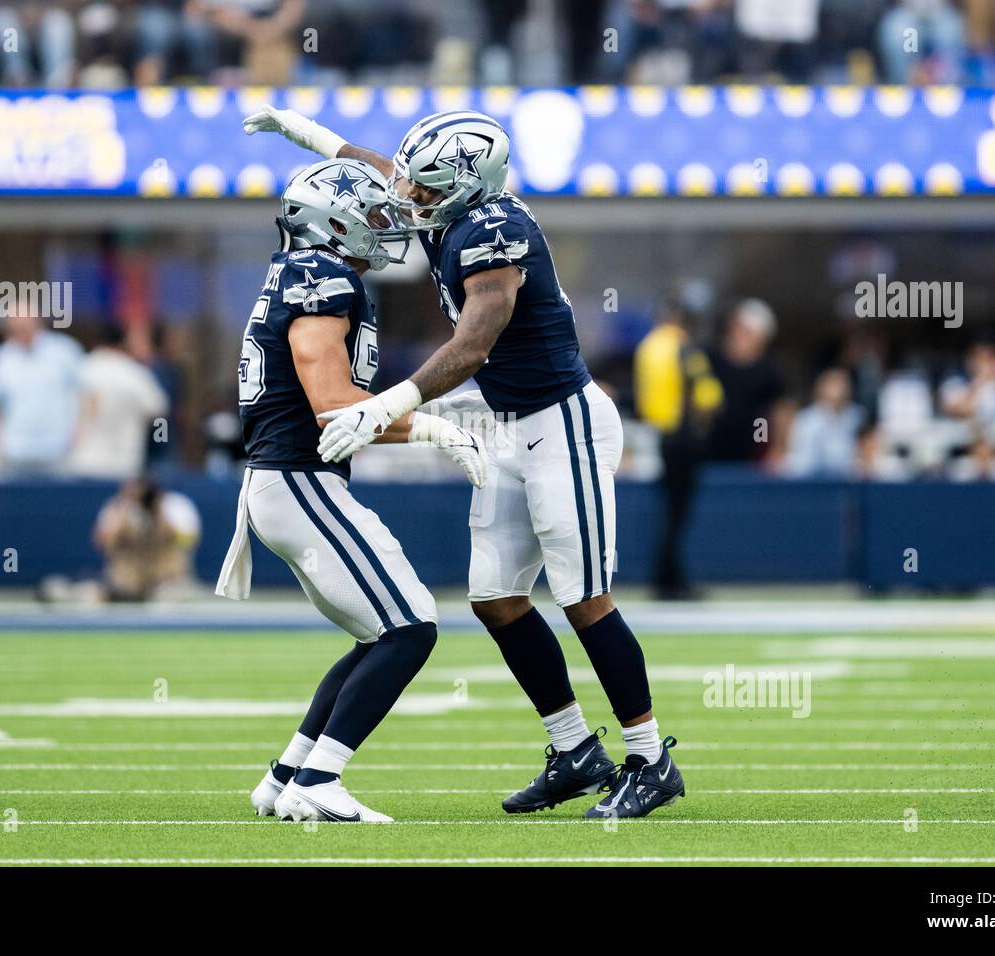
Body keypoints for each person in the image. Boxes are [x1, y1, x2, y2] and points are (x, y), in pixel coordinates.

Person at [245, 105, 687, 819]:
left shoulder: (493, 231)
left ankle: (649, 759)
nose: (407, 199)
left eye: (424, 189)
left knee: (583, 598)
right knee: (497, 598)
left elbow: (474, 344)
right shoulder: (448, 199)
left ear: (465, 184)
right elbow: (381, 168)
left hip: (562, 420)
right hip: (512, 425)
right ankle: (575, 750)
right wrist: (308, 133)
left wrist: (386, 405)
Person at [215, 157, 487, 824]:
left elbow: (342, 414)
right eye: (369, 215)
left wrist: (428, 425)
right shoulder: (321, 276)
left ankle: (287, 777)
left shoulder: (301, 273)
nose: (382, 228)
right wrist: (433, 428)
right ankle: (320, 779)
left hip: (288, 481)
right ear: (330, 221)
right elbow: (335, 406)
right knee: (410, 626)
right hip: (298, 481)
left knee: (379, 632)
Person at [634, 286, 723, 599]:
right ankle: (671, 581)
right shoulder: (682, 347)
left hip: (657, 435)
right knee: (677, 512)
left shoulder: (647, 347)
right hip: (683, 438)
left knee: (667, 511)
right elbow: (708, 394)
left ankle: (667, 578)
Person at [0, 309, 84, 475]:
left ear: (37, 321)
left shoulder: (65, 351)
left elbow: (85, 396)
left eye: (23, 323)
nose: (19, 328)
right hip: (15, 451)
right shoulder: (0, 358)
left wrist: (80, 435)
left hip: (58, 450)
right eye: (14, 324)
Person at [71, 324, 169, 479]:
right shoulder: (135, 373)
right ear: (124, 342)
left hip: (86, 460)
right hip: (125, 460)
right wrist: (158, 444)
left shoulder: (83, 368)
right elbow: (159, 413)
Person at [706, 298, 789, 466]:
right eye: (738, 328)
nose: (740, 335)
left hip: (753, 453)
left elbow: (780, 410)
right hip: (709, 449)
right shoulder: (708, 359)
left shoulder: (769, 371)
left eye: (748, 331)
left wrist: (778, 448)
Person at [92, 476, 201, 600]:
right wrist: (124, 518)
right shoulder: (116, 508)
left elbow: (186, 544)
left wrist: (159, 514)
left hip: (167, 578)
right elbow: (104, 544)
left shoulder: (176, 506)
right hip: (128, 580)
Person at [784, 367, 863, 478]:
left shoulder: (857, 416)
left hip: (850, 484)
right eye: (832, 383)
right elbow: (801, 461)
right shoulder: (807, 420)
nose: (839, 389)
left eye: (842, 383)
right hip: (814, 483)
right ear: (820, 387)